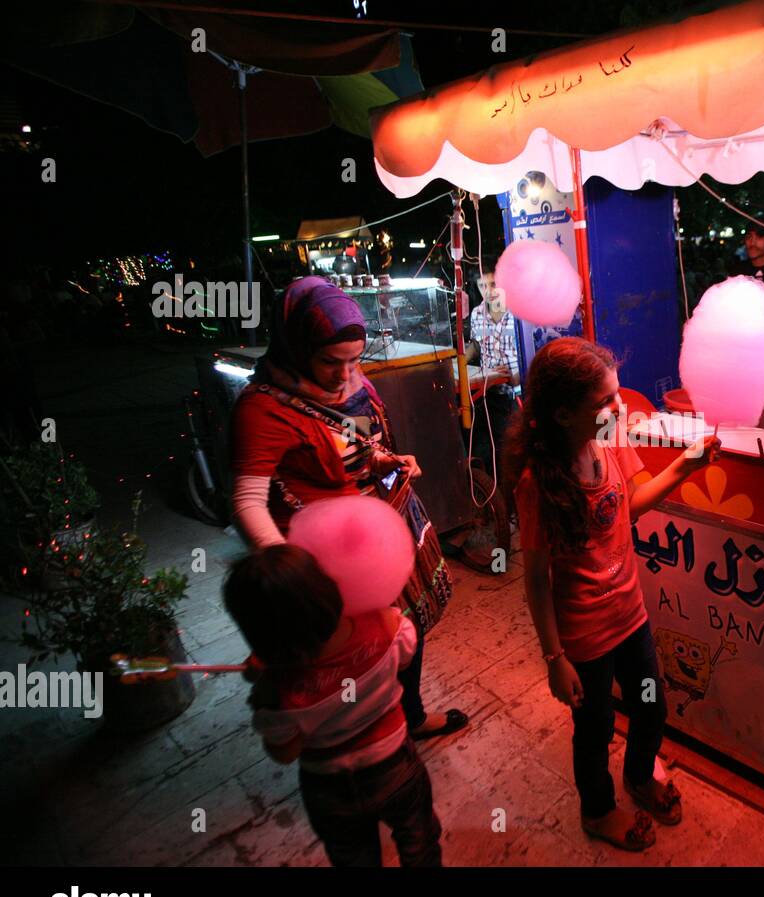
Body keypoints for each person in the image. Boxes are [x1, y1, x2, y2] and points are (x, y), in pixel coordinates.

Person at [505, 337, 721, 852]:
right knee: (595, 729)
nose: (620, 407)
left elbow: (628, 508)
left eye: (617, 395)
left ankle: (641, 777)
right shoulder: (538, 485)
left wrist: (683, 467)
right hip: (584, 636)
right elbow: (536, 579)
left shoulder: (611, 440)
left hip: (631, 614)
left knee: (651, 708)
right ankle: (598, 811)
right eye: (605, 400)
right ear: (562, 414)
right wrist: (555, 657)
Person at [229, 276, 466, 740]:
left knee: (402, 630)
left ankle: (408, 717)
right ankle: (356, 739)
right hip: (327, 560)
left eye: (355, 360)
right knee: (350, 651)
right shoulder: (261, 411)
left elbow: (357, 444)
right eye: (329, 362)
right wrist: (291, 576)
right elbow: (246, 501)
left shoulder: (353, 384)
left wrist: (386, 460)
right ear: (296, 346)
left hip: (379, 530)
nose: (344, 375)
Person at [225, 544, 442, 867]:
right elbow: (406, 657)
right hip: (395, 766)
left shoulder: (277, 693)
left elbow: (284, 752)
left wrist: (266, 682)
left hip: (329, 790)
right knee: (420, 842)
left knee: (353, 858)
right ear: (326, 589)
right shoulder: (387, 627)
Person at [466, 256, 521, 471]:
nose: (488, 291)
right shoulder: (477, 314)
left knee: (513, 451)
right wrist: (458, 360)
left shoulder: (518, 312)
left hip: (516, 394)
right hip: (488, 393)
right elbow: (476, 346)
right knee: (489, 451)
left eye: (493, 284)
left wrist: (515, 375)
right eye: (482, 285)